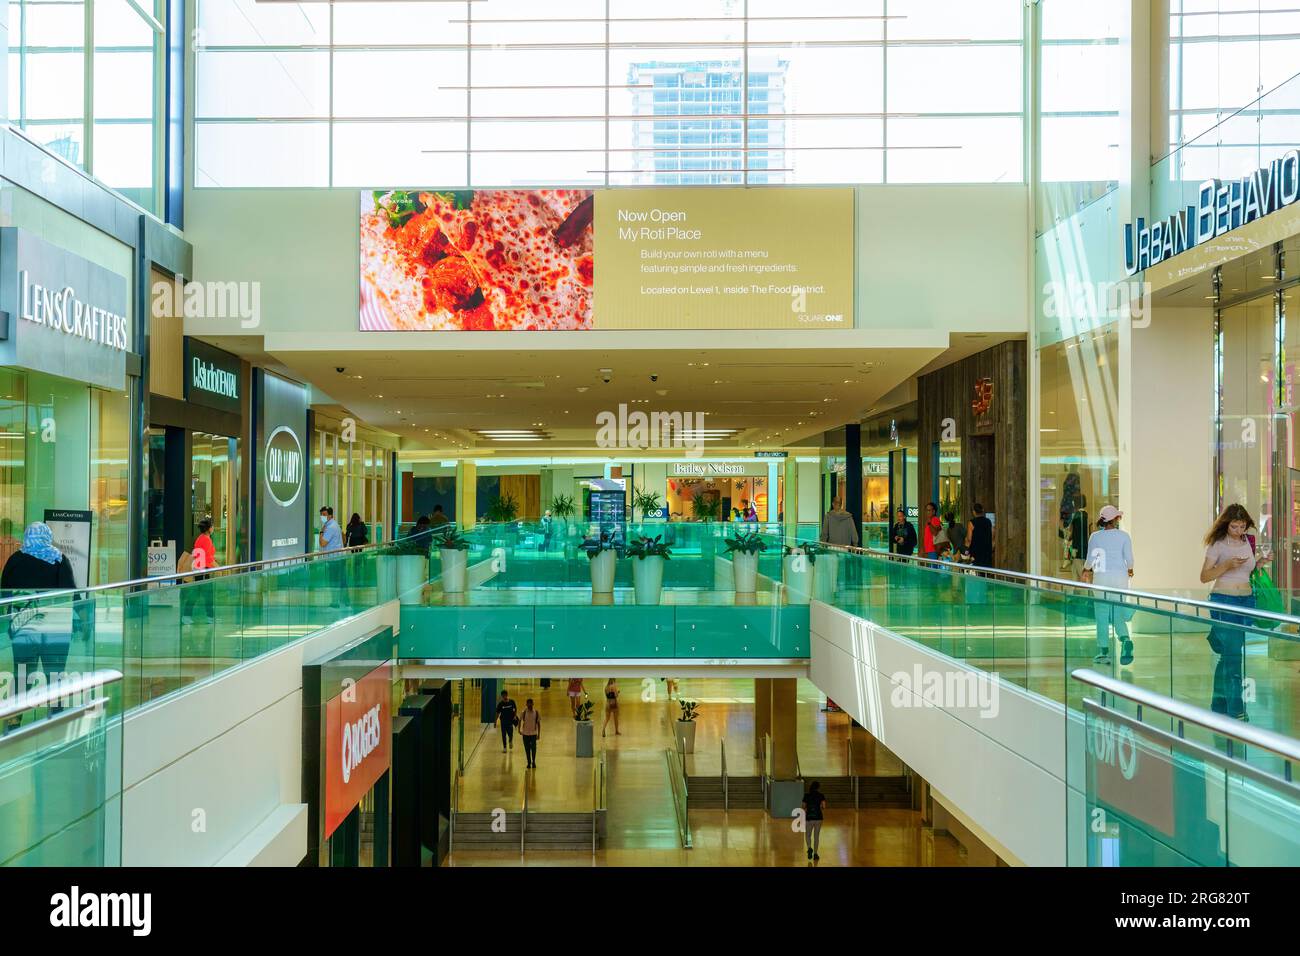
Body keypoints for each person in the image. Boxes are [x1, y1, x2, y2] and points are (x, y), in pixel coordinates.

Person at [1, 522, 80, 731]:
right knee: (55, 671)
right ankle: (56, 712)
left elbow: (5, 594)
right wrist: (80, 621)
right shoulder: (59, 559)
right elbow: (71, 593)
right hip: (56, 628)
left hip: (24, 628)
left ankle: (14, 717)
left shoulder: (15, 561)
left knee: (23, 671)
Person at [1200, 504, 1267, 720]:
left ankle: (1218, 702)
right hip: (1224, 602)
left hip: (1246, 602)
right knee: (1234, 656)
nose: (1239, 531)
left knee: (1229, 654)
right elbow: (1205, 576)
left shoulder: (1248, 541)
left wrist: (1260, 563)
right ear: (1226, 524)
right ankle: (1236, 708)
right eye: (1234, 526)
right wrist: (1227, 565)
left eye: (1242, 526)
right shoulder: (1217, 544)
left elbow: (1247, 572)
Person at [1082, 505, 1135, 666]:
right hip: (1120, 578)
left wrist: (1085, 571)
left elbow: (1090, 559)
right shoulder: (1124, 536)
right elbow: (1129, 559)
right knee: (1117, 611)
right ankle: (1125, 639)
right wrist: (1130, 570)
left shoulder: (1095, 537)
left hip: (1101, 579)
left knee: (1102, 614)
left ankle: (1103, 651)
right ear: (1116, 519)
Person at [182, 517, 218, 625]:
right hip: (203, 570)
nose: (213, 528)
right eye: (212, 526)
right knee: (206, 595)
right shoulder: (206, 540)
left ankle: (190, 616)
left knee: (198, 594)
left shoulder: (201, 538)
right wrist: (216, 566)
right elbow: (207, 558)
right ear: (209, 528)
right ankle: (209, 617)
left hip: (199, 570)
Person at [318, 506, 345, 610]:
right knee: (339, 581)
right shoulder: (335, 524)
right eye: (321, 515)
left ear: (330, 515)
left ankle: (335, 603)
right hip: (338, 558)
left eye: (324, 515)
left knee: (334, 581)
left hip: (334, 559)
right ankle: (342, 602)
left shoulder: (329, 527)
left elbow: (322, 543)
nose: (322, 517)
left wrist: (321, 533)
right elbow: (343, 536)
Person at [802, 780, 827, 861]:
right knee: (816, 836)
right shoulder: (821, 795)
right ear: (818, 787)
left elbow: (803, 806)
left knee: (808, 835)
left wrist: (807, 808)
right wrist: (820, 806)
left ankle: (809, 848)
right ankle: (815, 854)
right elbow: (824, 806)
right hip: (818, 818)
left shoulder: (807, 795)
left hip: (809, 817)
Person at [967, 503, 994, 568]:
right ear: (982, 510)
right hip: (987, 552)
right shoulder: (988, 521)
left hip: (976, 553)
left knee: (976, 573)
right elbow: (993, 535)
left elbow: (969, 539)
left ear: (974, 512)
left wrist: (967, 550)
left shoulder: (971, 523)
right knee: (986, 573)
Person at [519, 697, 541, 768]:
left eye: (531, 703)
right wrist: (519, 730)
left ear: (533, 704)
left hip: (533, 734)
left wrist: (539, 734)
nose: (529, 705)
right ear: (526, 704)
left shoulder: (536, 713)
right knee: (527, 749)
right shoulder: (524, 712)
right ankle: (529, 762)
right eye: (528, 703)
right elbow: (520, 720)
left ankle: (533, 761)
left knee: (533, 749)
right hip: (525, 734)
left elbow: (538, 723)